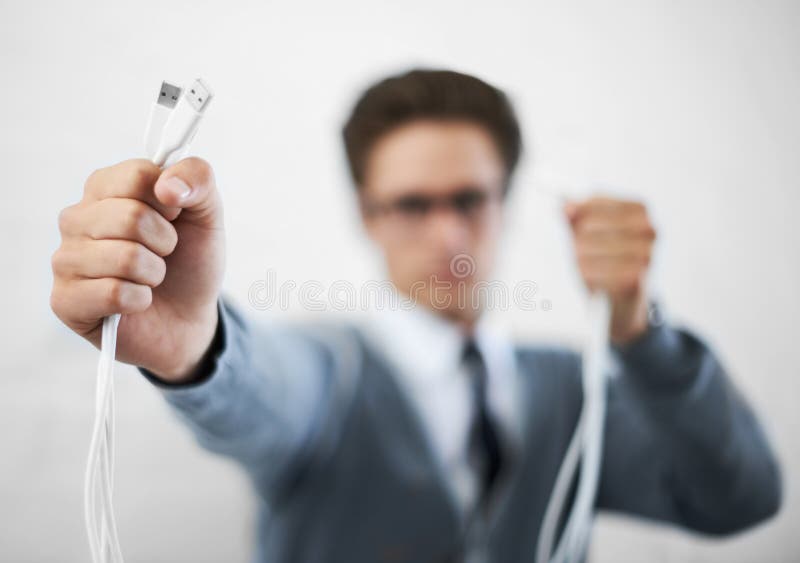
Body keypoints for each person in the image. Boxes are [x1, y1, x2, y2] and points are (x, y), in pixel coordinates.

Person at [50, 69, 782, 562]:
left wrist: (636, 331)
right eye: (411, 205)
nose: (447, 234)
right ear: (368, 216)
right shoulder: (329, 369)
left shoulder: (572, 390)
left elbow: (739, 497)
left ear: (507, 200)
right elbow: (266, 391)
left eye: (469, 198)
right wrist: (197, 347)